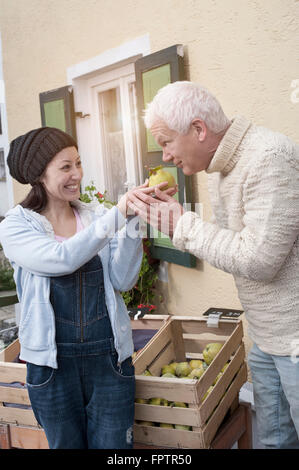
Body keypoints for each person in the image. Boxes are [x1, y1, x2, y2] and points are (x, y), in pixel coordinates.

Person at [127, 81, 299, 449]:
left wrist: (182, 225)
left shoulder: (269, 157)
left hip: (295, 340)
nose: (165, 156)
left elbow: (259, 260)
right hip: (267, 338)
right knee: (272, 442)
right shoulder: (222, 168)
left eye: (166, 141)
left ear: (199, 130)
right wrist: (173, 220)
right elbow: (230, 247)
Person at [0, 126, 173, 449]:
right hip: (52, 367)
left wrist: (135, 220)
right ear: (39, 174)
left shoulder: (96, 217)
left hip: (108, 360)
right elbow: (62, 258)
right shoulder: (16, 226)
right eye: (65, 167)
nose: (76, 174)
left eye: (78, 164)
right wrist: (118, 214)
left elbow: (123, 280)